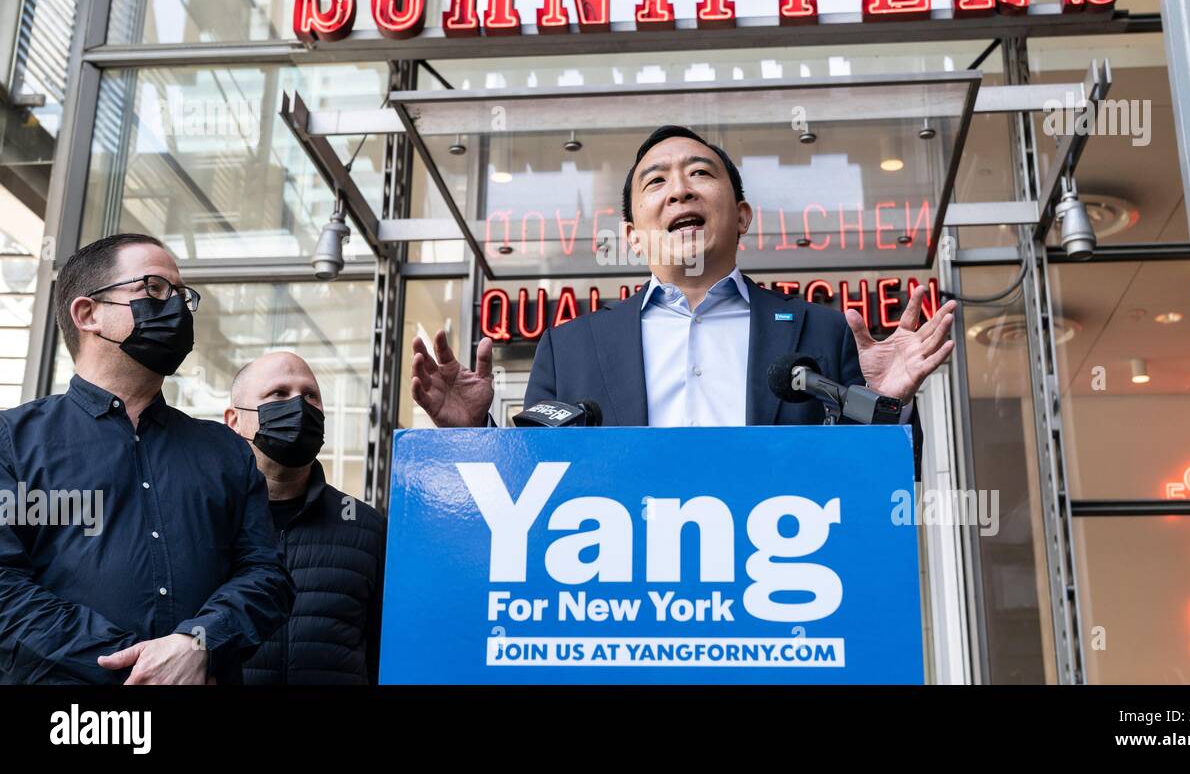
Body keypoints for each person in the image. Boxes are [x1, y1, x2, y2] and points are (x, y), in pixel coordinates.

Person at [411, 125, 956, 467]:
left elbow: (881, 487)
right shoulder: (569, 347)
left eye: (700, 174)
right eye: (656, 183)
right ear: (631, 234)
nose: (680, 190)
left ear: (742, 216)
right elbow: (529, 494)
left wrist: (889, 408)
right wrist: (474, 437)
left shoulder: (820, 331)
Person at [0, 233, 293, 684]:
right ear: (88, 314)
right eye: (154, 289)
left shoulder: (226, 452)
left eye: (181, 294)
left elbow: (266, 577)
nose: (175, 305)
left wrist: (198, 642)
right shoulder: (13, 442)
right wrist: (137, 666)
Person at [225, 351, 385, 684]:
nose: (299, 406)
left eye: (310, 395)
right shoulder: (206, 523)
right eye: (278, 394)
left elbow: (381, 655)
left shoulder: (368, 528)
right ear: (234, 420)